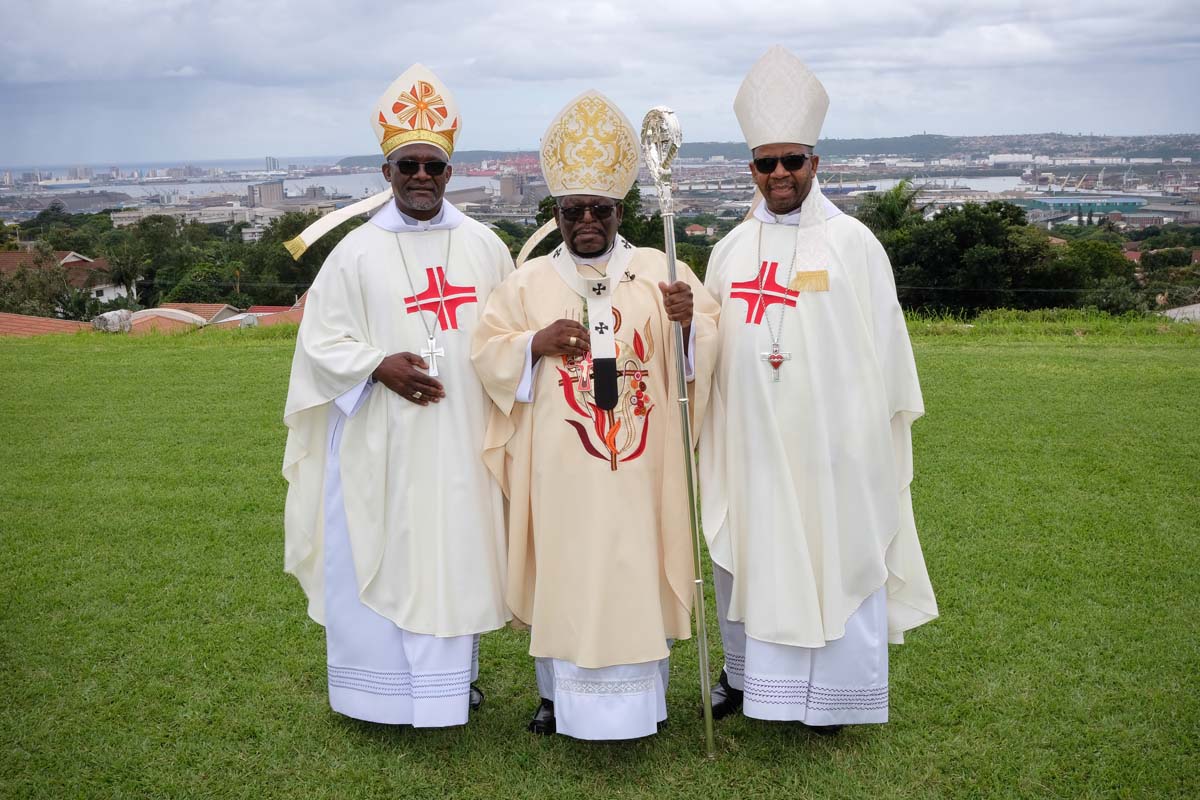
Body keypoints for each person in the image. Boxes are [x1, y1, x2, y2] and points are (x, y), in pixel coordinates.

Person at [698, 46, 939, 732]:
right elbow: (710, 350)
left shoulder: (854, 243)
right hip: (750, 442)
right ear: (751, 170)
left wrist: (864, 436)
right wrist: (688, 327)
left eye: (792, 161)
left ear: (814, 163)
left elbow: (884, 347)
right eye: (766, 163)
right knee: (753, 553)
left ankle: (834, 695)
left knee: (835, 551)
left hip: (834, 447)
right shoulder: (728, 251)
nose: (779, 173)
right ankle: (746, 677)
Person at [470, 90, 719, 740]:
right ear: (555, 213)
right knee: (564, 571)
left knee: (635, 570)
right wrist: (534, 342)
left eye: (599, 209)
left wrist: (687, 327)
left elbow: (705, 349)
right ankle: (556, 698)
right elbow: (488, 352)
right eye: (572, 209)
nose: (586, 220)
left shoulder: (661, 271)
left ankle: (645, 702)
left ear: (619, 210)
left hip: (641, 469)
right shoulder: (526, 283)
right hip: (560, 474)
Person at [281, 64, 513, 728]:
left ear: (450, 172)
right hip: (381, 440)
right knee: (380, 544)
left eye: (432, 167)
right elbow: (319, 343)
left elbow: (510, 334)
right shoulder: (354, 254)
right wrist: (376, 365)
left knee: (454, 550)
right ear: (386, 172)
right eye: (408, 165)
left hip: (464, 438)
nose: (420, 177)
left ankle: (451, 687)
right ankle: (373, 693)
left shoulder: (485, 248)